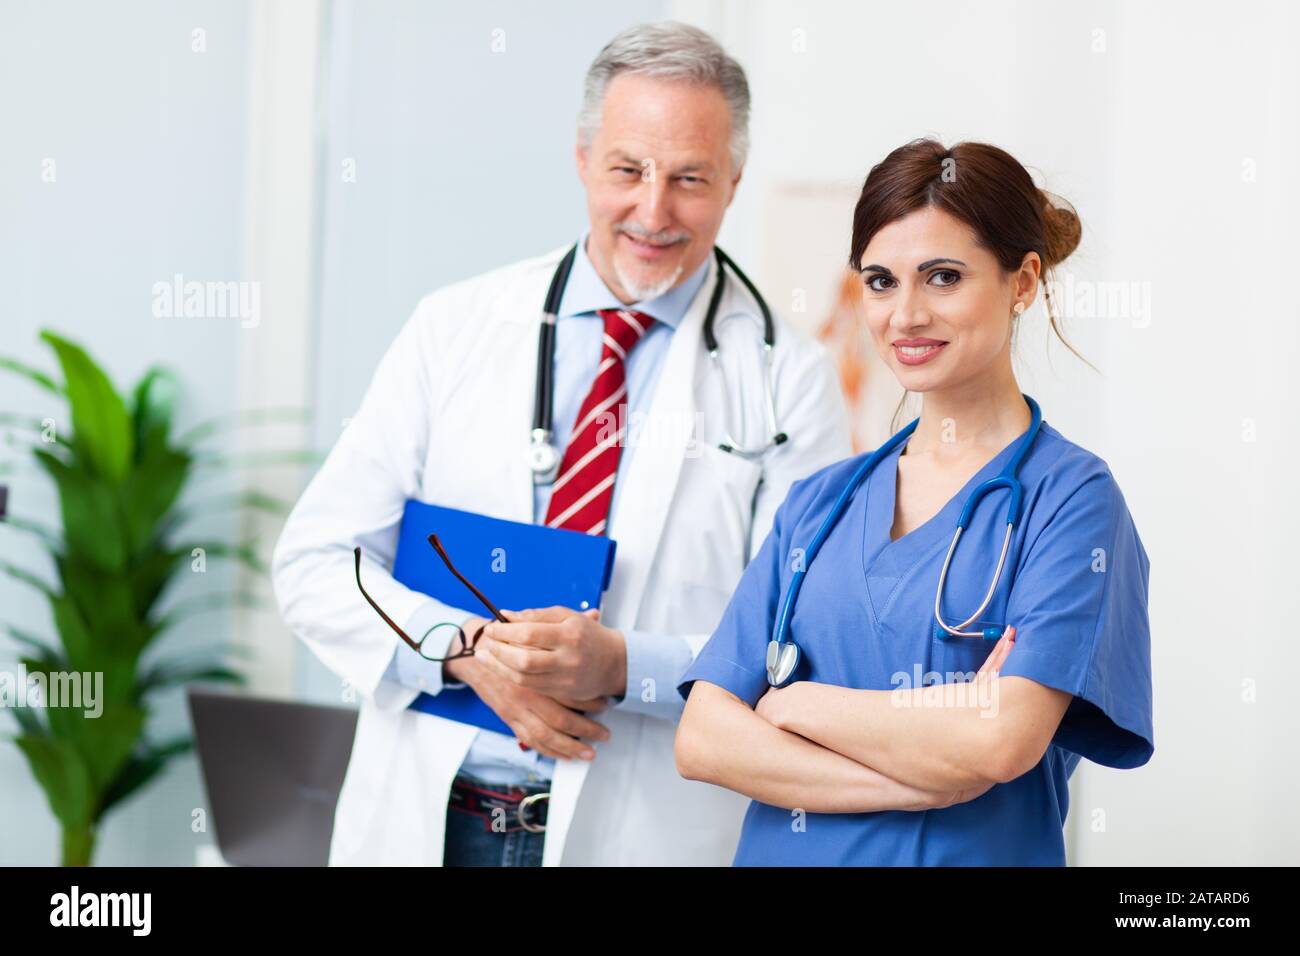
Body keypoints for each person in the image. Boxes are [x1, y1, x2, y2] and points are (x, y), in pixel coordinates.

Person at [270, 21, 851, 867]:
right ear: (583, 158)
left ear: (734, 179)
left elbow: (799, 648)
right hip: (434, 811)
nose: (653, 210)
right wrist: (462, 650)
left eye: (689, 178)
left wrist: (624, 666)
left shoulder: (787, 380)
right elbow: (317, 562)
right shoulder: (456, 327)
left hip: (637, 830)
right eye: (628, 170)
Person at [674, 139, 1155, 866]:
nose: (905, 315)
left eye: (943, 277)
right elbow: (704, 740)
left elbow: (1001, 740)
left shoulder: (1072, 502)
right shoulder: (821, 504)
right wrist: (922, 771)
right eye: (880, 281)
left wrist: (793, 706)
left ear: (1022, 281)